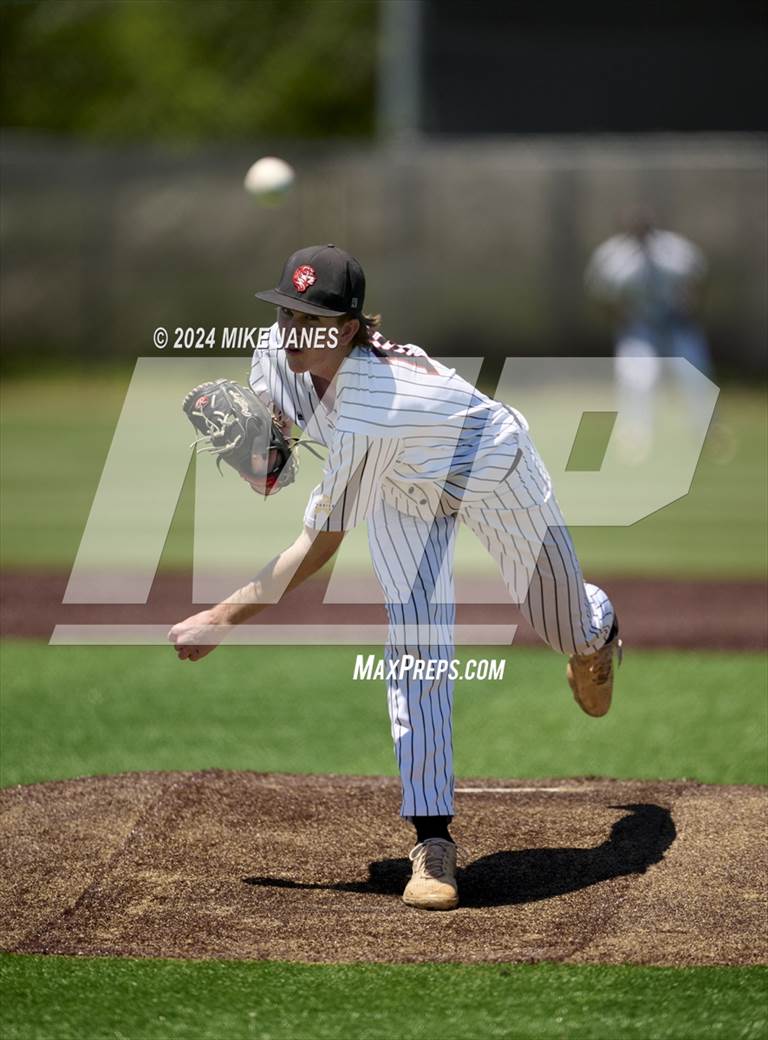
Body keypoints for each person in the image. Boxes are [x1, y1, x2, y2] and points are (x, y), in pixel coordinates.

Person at [169, 244, 622, 912]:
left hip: (492, 472)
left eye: (312, 316)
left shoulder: (374, 403)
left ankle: (597, 630)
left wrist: (220, 617)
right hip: (402, 490)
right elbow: (276, 459)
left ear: (349, 327)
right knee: (417, 642)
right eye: (287, 310)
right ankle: (432, 840)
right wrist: (255, 453)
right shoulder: (278, 350)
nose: (295, 327)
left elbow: (317, 546)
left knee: (564, 629)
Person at [585, 213, 711, 462]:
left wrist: (690, 308)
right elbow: (599, 292)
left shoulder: (675, 250)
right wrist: (620, 318)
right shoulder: (613, 256)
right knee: (638, 379)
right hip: (639, 326)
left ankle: (706, 430)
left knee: (694, 375)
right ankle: (635, 434)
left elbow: (700, 277)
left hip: (677, 323)